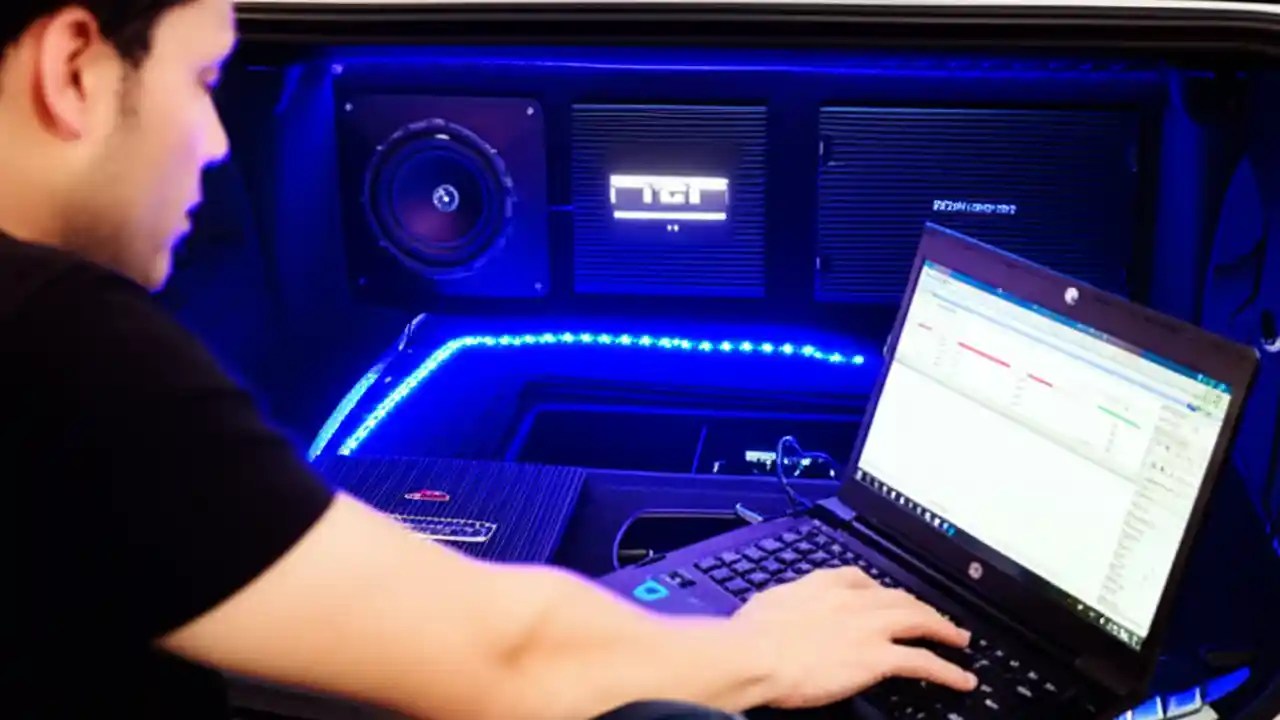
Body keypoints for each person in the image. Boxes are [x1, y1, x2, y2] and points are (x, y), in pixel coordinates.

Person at [0, 1, 979, 718]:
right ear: (73, 66)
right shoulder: (60, 346)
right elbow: (498, 659)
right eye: (206, 81)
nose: (217, 141)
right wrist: (754, 649)